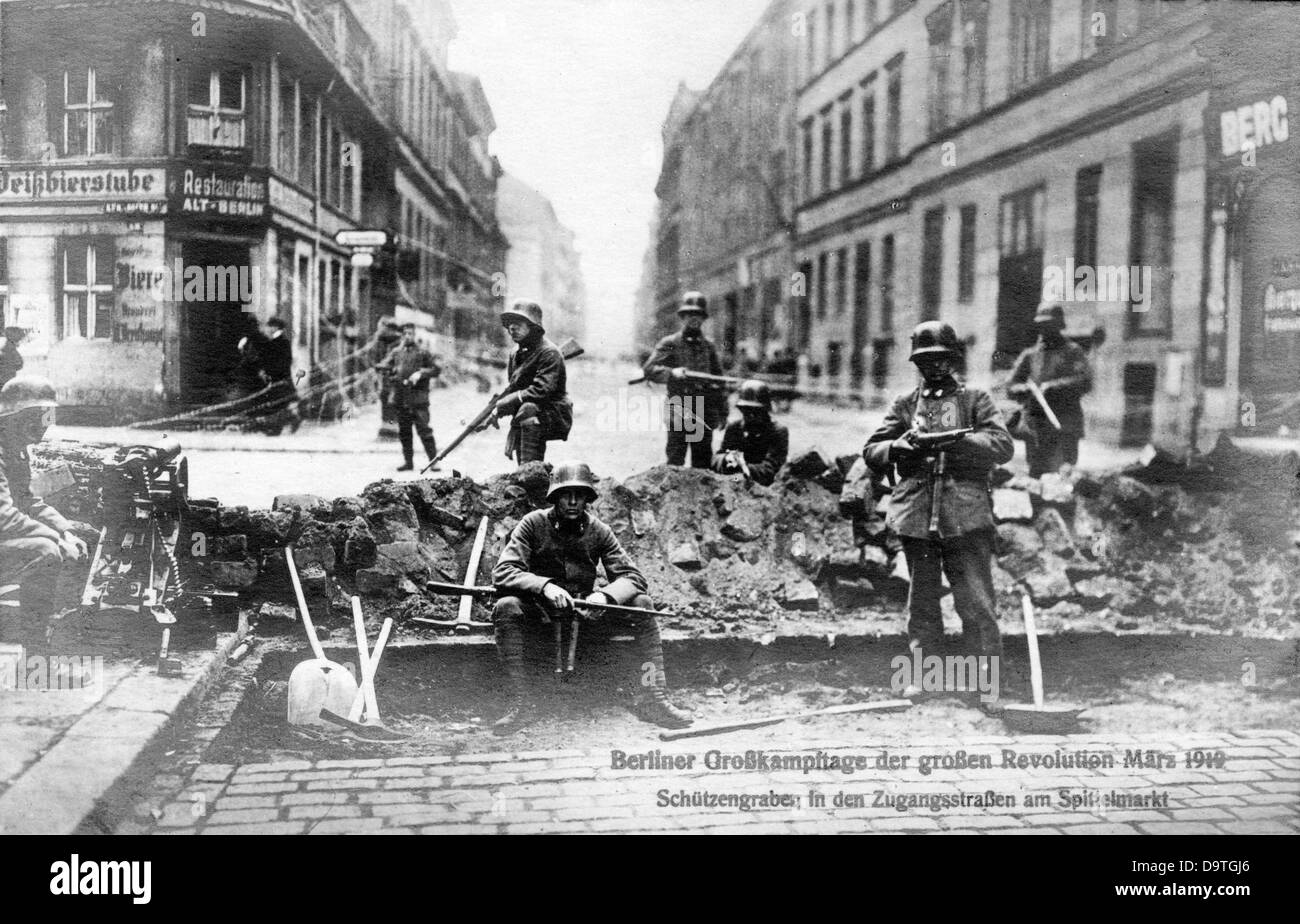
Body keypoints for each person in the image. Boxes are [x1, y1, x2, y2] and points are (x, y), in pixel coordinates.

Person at [863, 321, 1013, 706]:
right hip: (917, 514)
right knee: (922, 602)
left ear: (953, 359)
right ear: (917, 363)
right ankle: (925, 676)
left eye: (942, 359)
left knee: (976, 601)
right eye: (926, 361)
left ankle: (984, 680)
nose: (934, 367)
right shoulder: (905, 404)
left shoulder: (975, 399)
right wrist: (900, 447)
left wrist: (959, 440)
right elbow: (873, 450)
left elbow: (1001, 443)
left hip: (964, 513)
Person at [490, 461, 694, 733]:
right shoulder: (533, 524)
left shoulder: (599, 530)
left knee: (643, 605)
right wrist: (545, 587)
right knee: (507, 607)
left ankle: (654, 697)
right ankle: (521, 703)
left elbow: (633, 577)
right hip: (541, 610)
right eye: (566, 494)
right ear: (555, 497)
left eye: (580, 495)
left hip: (586, 612)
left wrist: (605, 598)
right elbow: (504, 571)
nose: (573, 501)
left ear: (588, 498)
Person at [0, 377, 87, 641]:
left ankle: (53, 636)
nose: (43, 429)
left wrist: (67, 529)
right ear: (19, 417)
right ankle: (35, 655)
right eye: (40, 419)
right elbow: (4, 517)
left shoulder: (15, 448)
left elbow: (28, 500)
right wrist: (56, 538)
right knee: (45, 551)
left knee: (75, 541)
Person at [643, 292, 729, 468]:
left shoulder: (708, 346)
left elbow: (719, 381)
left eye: (698, 315)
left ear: (703, 318)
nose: (694, 319)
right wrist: (671, 372)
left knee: (702, 463)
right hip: (680, 408)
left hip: (703, 409)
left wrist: (723, 412)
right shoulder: (670, 342)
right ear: (682, 317)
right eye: (690, 314)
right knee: (675, 462)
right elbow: (649, 369)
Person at [1007, 302, 1093, 477]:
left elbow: (1085, 381)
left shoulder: (1073, 352)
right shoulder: (1030, 355)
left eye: (1050, 325)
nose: (1045, 330)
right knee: (1037, 475)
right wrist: (1024, 390)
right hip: (1037, 426)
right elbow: (1011, 385)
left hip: (1065, 423)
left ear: (1059, 325)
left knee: (1063, 475)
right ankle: (1038, 505)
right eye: (1042, 325)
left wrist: (1054, 387)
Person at [495, 300, 573, 465]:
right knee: (523, 411)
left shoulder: (549, 352)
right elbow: (514, 389)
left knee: (527, 410)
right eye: (509, 324)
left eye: (518, 323)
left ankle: (531, 471)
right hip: (531, 411)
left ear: (533, 326)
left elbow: (541, 390)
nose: (511, 328)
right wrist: (497, 411)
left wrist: (511, 400)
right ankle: (524, 472)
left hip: (555, 413)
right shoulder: (515, 353)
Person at [376, 322, 441, 472]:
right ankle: (408, 462)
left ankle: (434, 461)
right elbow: (385, 365)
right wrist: (387, 370)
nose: (407, 336)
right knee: (404, 432)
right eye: (405, 334)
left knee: (425, 431)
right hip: (401, 398)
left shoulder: (423, 353)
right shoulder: (396, 352)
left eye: (410, 334)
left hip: (418, 399)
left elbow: (436, 369)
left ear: (415, 335)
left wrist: (421, 373)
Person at [711, 379, 789, 486]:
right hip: (735, 481)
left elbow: (771, 470)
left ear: (765, 410)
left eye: (756, 412)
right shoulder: (735, 428)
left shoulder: (777, 431)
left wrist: (741, 465)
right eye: (746, 411)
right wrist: (726, 459)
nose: (751, 416)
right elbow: (716, 458)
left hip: (764, 487)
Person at [258, 317, 301, 433]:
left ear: (275, 327)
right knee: (279, 404)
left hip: (280, 378)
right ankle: (281, 424)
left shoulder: (281, 341)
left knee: (277, 403)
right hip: (279, 377)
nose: (266, 329)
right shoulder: (277, 341)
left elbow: (283, 361)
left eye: (268, 327)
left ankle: (281, 425)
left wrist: (269, 372)